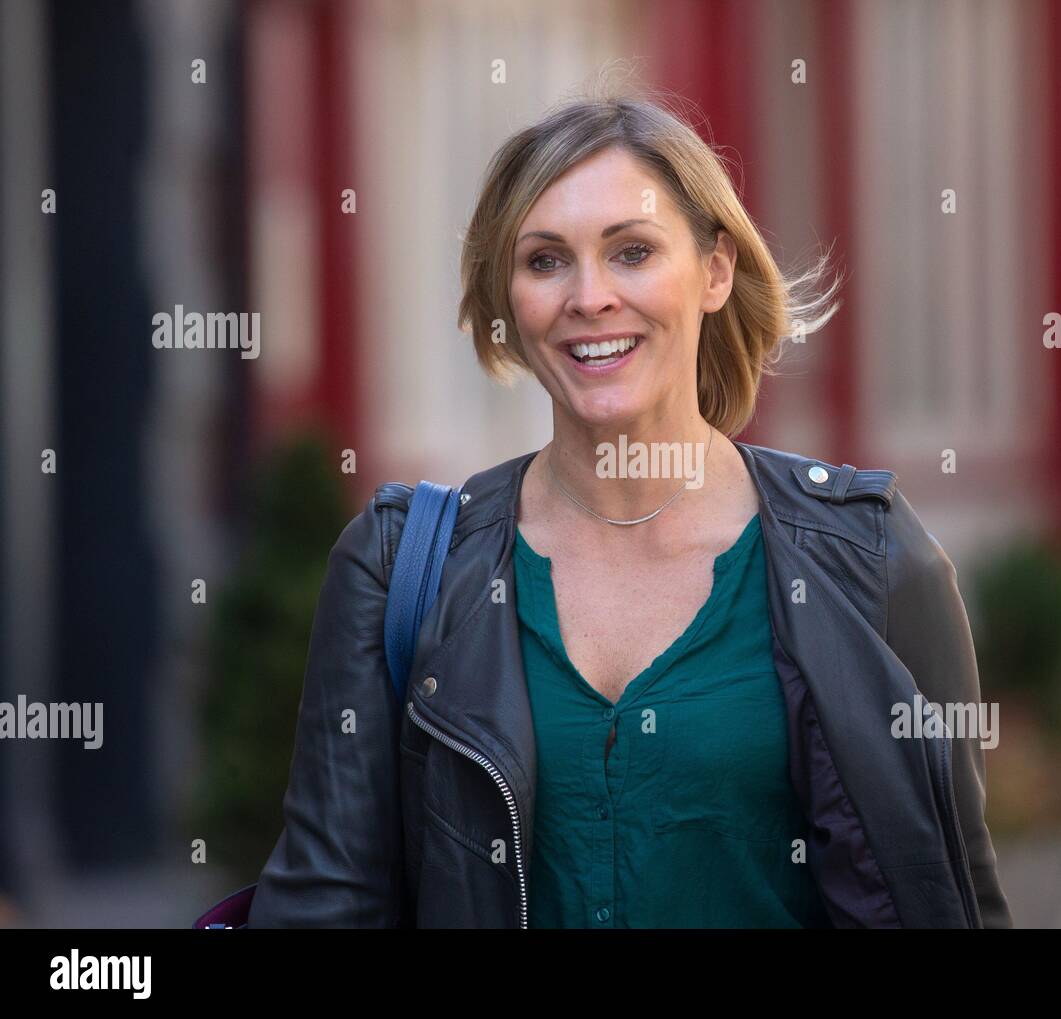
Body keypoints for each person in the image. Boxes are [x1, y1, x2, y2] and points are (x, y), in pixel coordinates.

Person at [248, 89, 1012, 929]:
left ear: (715, 271)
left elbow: (952, 897)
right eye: (545, 261)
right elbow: (322, 907)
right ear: (507, 300)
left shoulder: (872, 559)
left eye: (633, 252)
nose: (590, 296)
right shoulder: (400, 568)